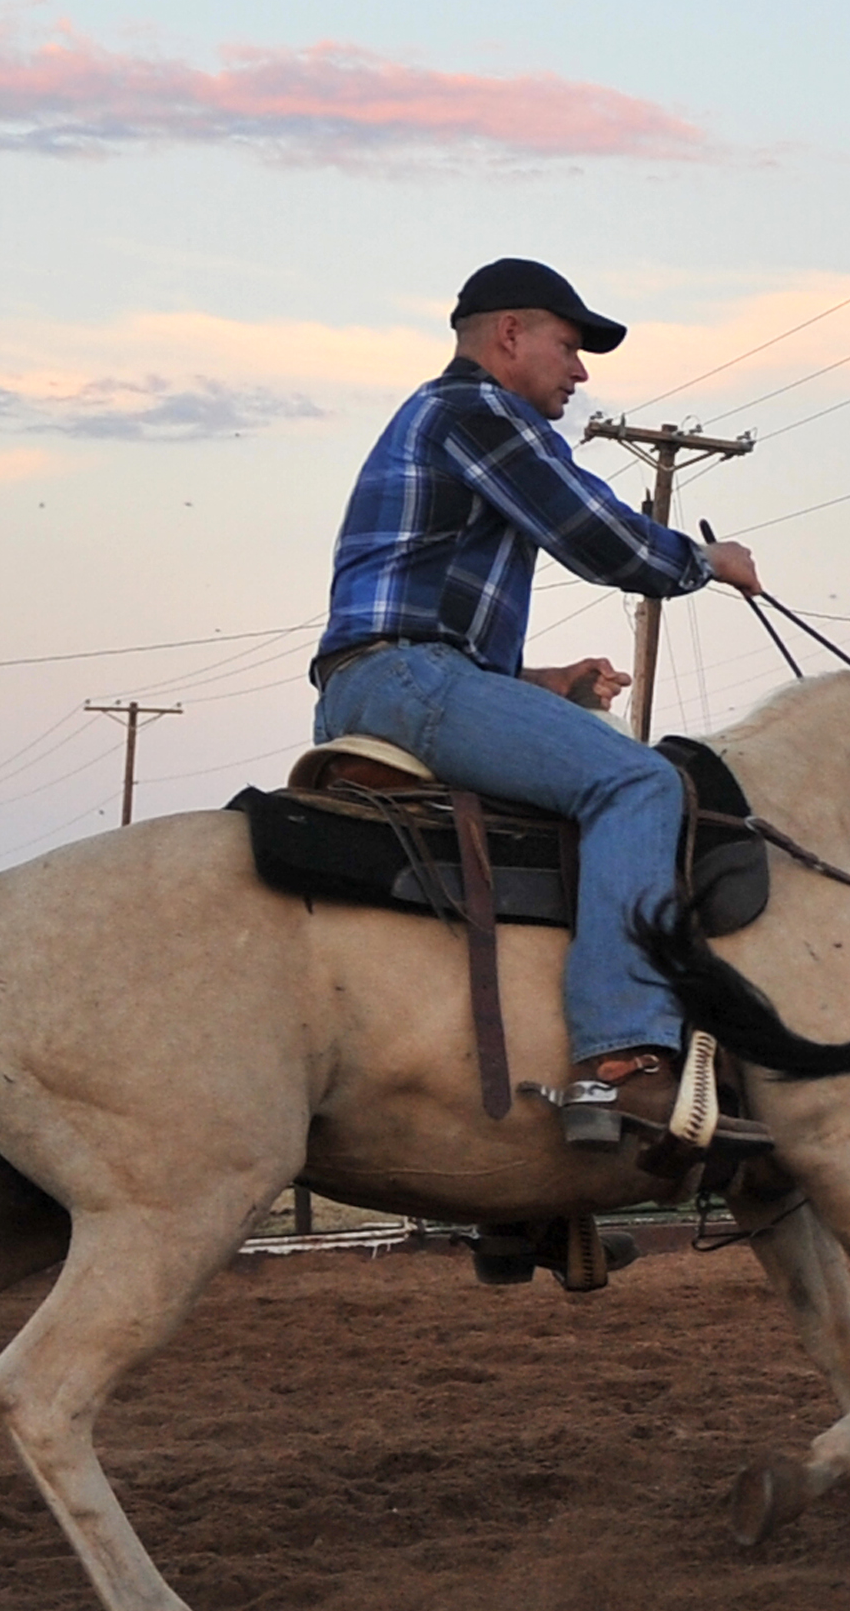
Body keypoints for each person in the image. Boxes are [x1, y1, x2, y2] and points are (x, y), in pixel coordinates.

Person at [310, 259, 765, 1144]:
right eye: (569, 345)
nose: (582, 372)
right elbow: (592, 532)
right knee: (640, 786)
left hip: (391, 680)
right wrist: (708, 562)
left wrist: (542, 685)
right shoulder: (478, 412)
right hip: (409, 679)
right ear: (510, 336)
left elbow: (424, 617)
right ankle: (622, 1059)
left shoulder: (442, 420)